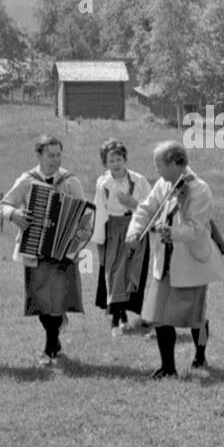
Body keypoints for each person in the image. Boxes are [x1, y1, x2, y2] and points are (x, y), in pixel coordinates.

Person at [126, 140, 224, 379]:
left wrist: (173, 232)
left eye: (159, 165)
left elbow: (196, 227)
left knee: (197, 317)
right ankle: (167, 367)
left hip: (191, 261)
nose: (156, 170)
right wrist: (134, 230)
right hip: (165, 261)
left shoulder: (199, 189)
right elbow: (146, 209)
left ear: (173, 163)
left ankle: (200, 354)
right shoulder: (164, 183)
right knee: (160, 316)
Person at [0, 135, 92, 369]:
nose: (55, 159)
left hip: (63, 250)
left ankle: (49, 349)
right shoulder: (28, 180)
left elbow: (85, 214)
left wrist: (79, 239)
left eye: (58, 154)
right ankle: (55, 337)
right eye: (50, 155)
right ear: (39, 155)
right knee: (42, 302)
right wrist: (14, 214)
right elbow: (4, 204)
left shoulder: (71, 181)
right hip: (35, 248)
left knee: (57, 299)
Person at [92, 139, 152, 336]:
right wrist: (99, 240)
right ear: (105, 163)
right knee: (114, 271)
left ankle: (125, 314)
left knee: (130, 272)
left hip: (134, 226)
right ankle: (116, 318)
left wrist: (132, 202)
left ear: (125, 159)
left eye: (119, 159)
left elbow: (151, 205)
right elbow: (99, 210)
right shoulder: (103, 184)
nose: (116, 164)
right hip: (113, 228)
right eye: (111, 161)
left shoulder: (139, 180)